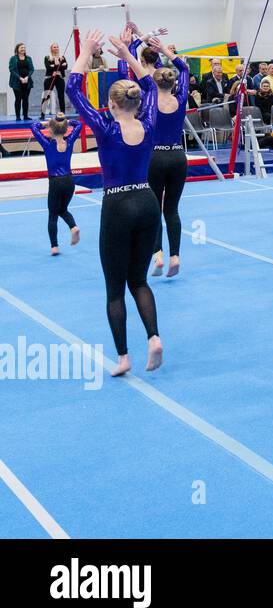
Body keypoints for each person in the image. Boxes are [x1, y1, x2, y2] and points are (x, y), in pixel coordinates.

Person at [69, 30, 164, 377]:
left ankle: (124, 357)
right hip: (147, 200)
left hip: (118, 204)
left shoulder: (105, 127)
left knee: (114, 289)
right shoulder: (149, 121)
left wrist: (86, 52)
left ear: (110, 105)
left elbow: (72, 90)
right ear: (137, 103)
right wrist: (126, 51)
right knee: (139, 280)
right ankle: (154, 337)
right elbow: (151, 87)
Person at [144, 39, 191, 278]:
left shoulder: (149, 100)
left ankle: (158, 256)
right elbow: (184, 69)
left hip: (155, 158)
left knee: (154, 209)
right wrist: (164, 50)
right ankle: (175, 257)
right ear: (173, 84)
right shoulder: (180, 99)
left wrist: (131, 46)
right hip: (177, 156)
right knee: (172, 210)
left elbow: (127, 69)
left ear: (153, 82)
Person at [30, 114, 82, 255]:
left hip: (55, 182)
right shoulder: (69, 141)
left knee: (53, 214)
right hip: (69, 182)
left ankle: (54, 246)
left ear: (51, 131)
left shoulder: (47, 143)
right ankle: (73, 227)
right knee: (62, 210)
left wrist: (46, 124)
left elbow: (33, 126)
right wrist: (66, 121)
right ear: (65, 130)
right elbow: (79, 125)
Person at [42, 43, 68, 118]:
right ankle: (42, 114)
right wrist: (59, 65)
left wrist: (54, 66)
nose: (56, 48)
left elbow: (65, 67)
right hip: (50, 78)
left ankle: (63, 113)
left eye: (57, 47)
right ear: (51, 48)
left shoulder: (62, 57)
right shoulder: (47, 58)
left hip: (59, 78)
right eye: (54, 47)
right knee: (46, 96)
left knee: (61, 96)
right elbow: (48, 67)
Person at [9, 43, 34, 120]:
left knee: (26, 99)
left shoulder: (28, 58)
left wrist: (27, 77)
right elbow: (12, 70)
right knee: (18, 98)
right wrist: (20, 78)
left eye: (24, 48)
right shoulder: (13, 58)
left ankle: (25, 116)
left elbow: (31, 69)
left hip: (27, 81)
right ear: (17, 49)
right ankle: (18, 116)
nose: (23, 49)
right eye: (21, 48)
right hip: (17, 82)